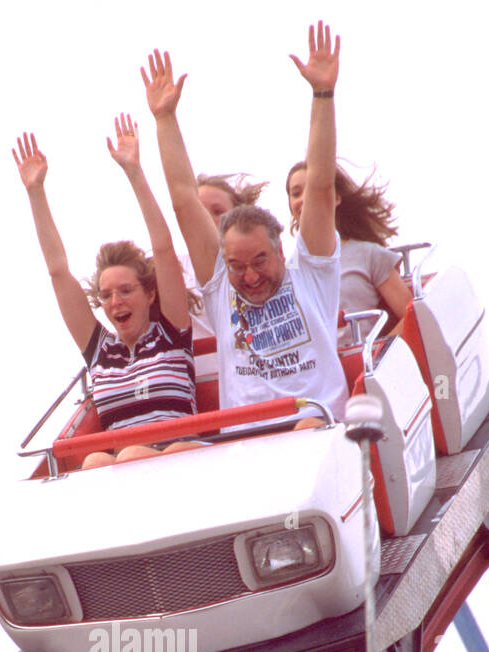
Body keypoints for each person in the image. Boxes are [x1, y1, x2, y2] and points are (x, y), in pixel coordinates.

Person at [143, 24, 348, 429]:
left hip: (315, 429)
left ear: (278, 251)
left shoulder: (312, 274)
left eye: (259, 261)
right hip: (246, 445)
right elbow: (184, 199)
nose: (250, 276)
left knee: (304, 431)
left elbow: (321, 185)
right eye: (237, 266)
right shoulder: (221, 289)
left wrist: (323, 94)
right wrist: (165, 119)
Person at [13, 118, 198, 469]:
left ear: (150, 294)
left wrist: (134, 173)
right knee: (96, 460)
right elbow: (57, 271)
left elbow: (162, 248)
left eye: (126, 291)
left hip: (181, 460)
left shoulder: (171, 334)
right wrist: (36, 193)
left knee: (130, 455)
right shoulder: (102, 351)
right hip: (124, 473)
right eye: (107, 295)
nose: (116, 302)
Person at [286, 161, 412, 344]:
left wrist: (378, 355)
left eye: (314, 189)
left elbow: (411, 315)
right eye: (296, 193)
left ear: (336, 198)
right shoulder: (287, 270)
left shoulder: (368, 254)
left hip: (362, 365)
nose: (305, 199)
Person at [184, 175, 268, 334]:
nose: (206, 218)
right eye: (199, 210)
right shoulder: (176, 269)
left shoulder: (261, 270)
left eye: (217, 211)